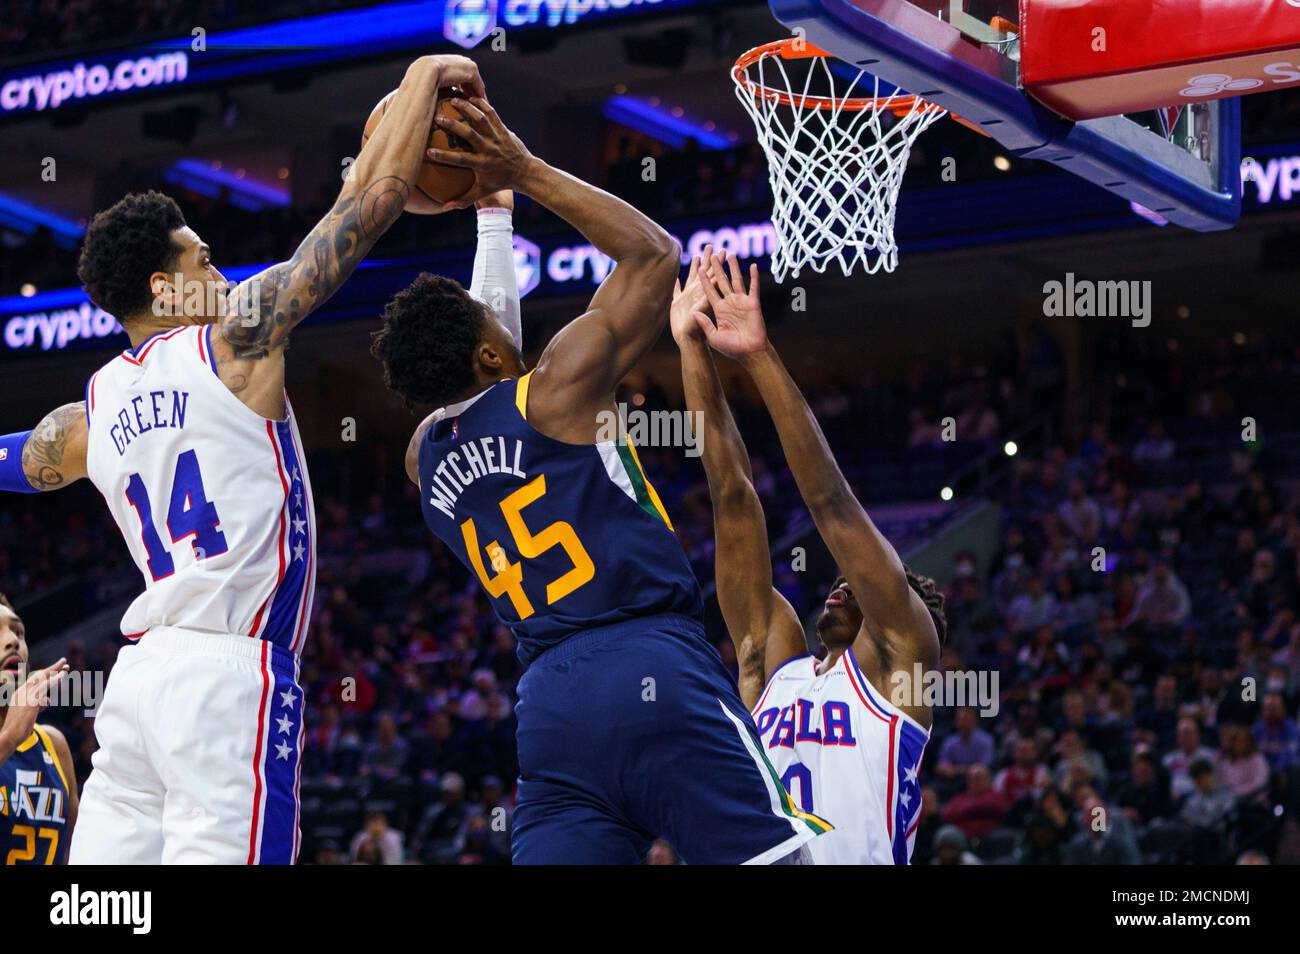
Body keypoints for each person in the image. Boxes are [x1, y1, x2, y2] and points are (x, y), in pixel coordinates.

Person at [0, 54, 486, 864]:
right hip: (228, 679)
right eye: (202, 258)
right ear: (166, 286)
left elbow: (17, 463)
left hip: (138, 685)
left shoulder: (91, 408)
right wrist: (427, 75)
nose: (221, 269)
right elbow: (368, 208)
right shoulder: (239, 337)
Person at [369, 100, 827, 864]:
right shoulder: (557, 388)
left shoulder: (426, 459)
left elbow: (486, 364)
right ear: (490, 352)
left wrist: (491, 220)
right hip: (648, 662)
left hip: (549, 711)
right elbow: (653, 253)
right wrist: (524, 172)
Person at [675, 250, 944, 863]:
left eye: (859, 587)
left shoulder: (901, 664)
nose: (840, 587)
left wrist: (758, 357)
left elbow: (831, 504)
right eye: (842, 582)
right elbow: (732, 499)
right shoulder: (774, 667)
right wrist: (692, 348)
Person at [0, 593, 76, 864]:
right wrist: (8, 738)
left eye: (18, 632)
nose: (12, 641)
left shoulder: (53, 744)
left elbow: (72, 854)